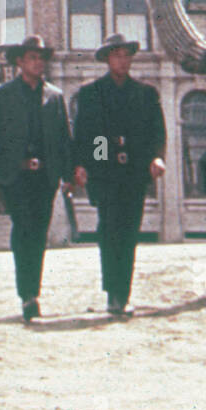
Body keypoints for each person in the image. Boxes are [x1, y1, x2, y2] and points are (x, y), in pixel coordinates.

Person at [0, 35, 74, 322]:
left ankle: (34, 290)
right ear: (20, 62)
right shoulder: (2, 95)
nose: (38, 63)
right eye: (32, 58)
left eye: (41, 58)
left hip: (45, 176)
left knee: (39, 233)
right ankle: (27, 295)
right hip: (14, 176)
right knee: (23, 228)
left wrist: (69, 174)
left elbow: (64, 138)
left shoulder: (54, 96)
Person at [72, 33, 167, 315]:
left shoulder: (146, 93)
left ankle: (122, 294)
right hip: (106, 174)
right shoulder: (92, 93)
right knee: (109, 231)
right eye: (117, 55)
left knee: (128, 233)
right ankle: (112, 292)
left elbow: (156, 133)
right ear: (107, 59)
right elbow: (86, 134)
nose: (122, 61)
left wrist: (156, 158)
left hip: (135, 174)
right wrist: (90, 165)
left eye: (126, 55)